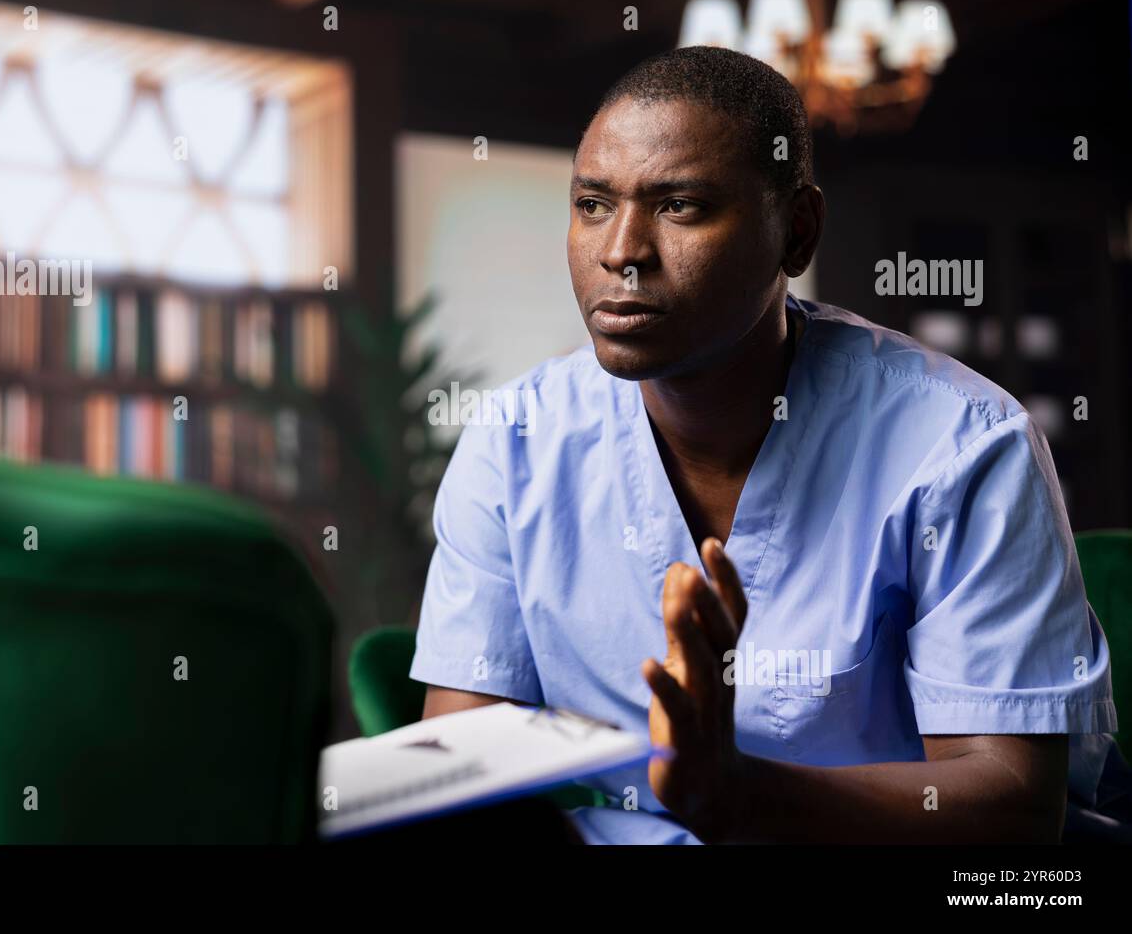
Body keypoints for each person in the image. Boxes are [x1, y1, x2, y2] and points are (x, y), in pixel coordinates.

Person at [407, 46, 1118, 844]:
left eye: (680, 206)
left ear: (797, 232)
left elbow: (1014, 808)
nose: (622, 253)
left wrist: (739, 796)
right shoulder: (514, 443)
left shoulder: (963, 446)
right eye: (593, 204)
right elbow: (460, 774)